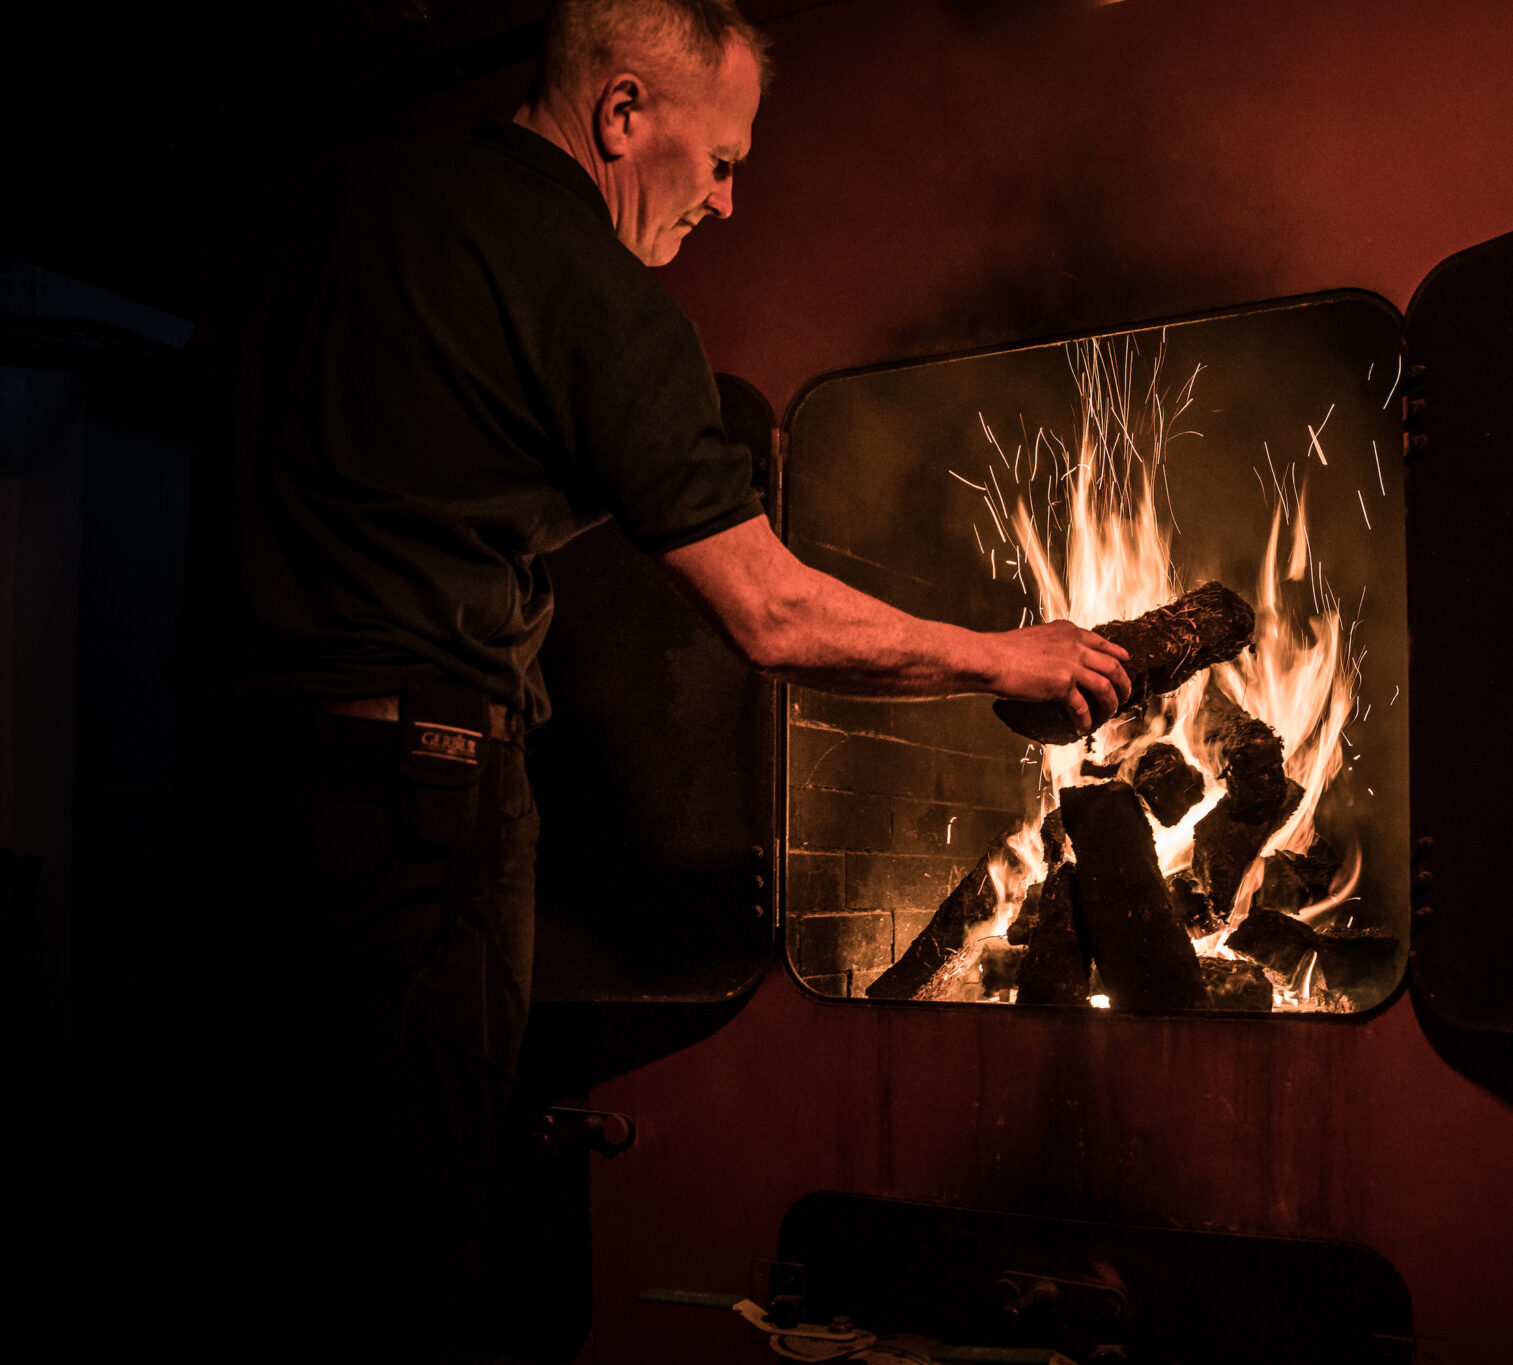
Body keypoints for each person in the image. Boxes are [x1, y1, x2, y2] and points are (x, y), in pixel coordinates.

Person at [171, 1, 1129, 1358]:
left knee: (245, 1218)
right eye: (723, 158)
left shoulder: (330, 218)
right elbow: (771, 609)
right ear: (624, 115)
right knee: (404, 1250)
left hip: (223, 798)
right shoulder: (589, 287)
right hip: (411, 805)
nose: (729, 201)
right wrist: (1003, 653)